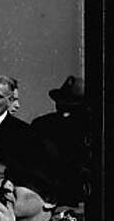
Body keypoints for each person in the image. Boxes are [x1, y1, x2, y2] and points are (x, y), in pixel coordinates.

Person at [30, 75, 87, 207]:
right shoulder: (41, 126)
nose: (64, 111)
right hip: (46, 199)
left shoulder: (91, 131)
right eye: (61, 104)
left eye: (71, 107)